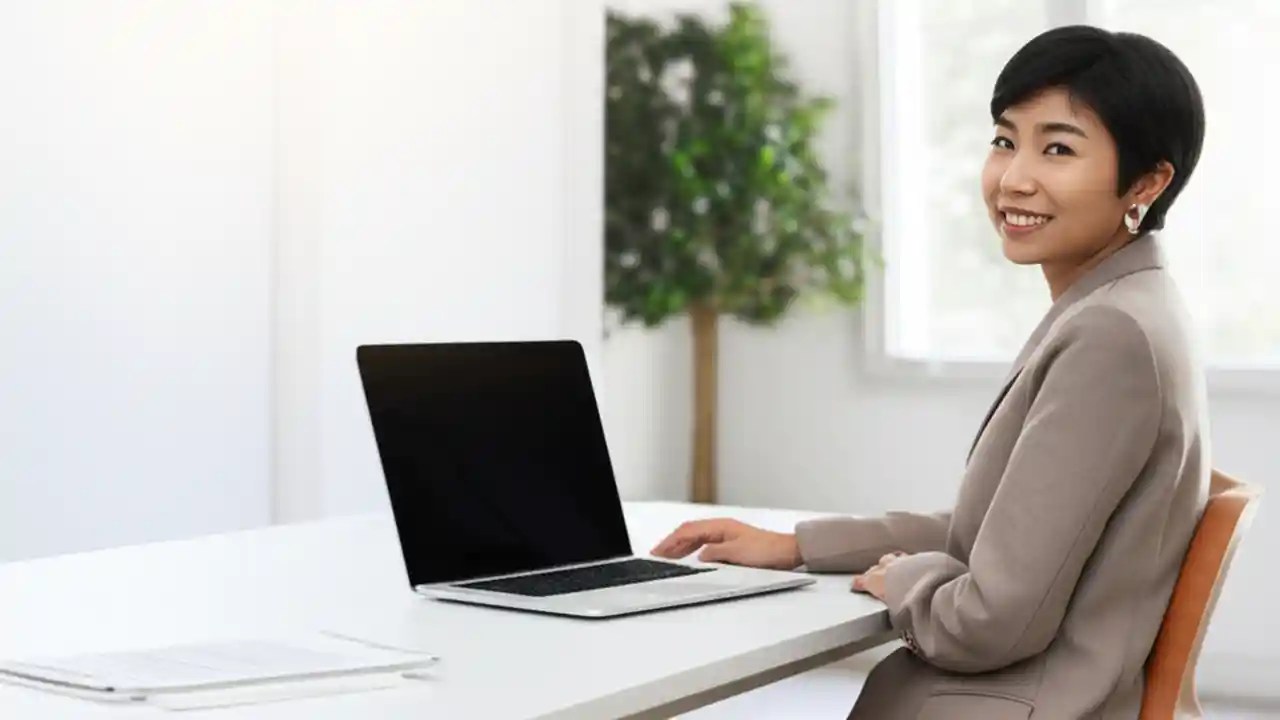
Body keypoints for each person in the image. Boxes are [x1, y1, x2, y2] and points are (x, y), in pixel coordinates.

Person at [651, 24, 1208, 720]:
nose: (1014, 177)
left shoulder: (1111, 333)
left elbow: (991, 620)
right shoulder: (1126, 303)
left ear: (1149, 181)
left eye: (1058, 148)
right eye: (1005, 140)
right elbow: (995, 532)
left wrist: (903, 578)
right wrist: (798, 545)